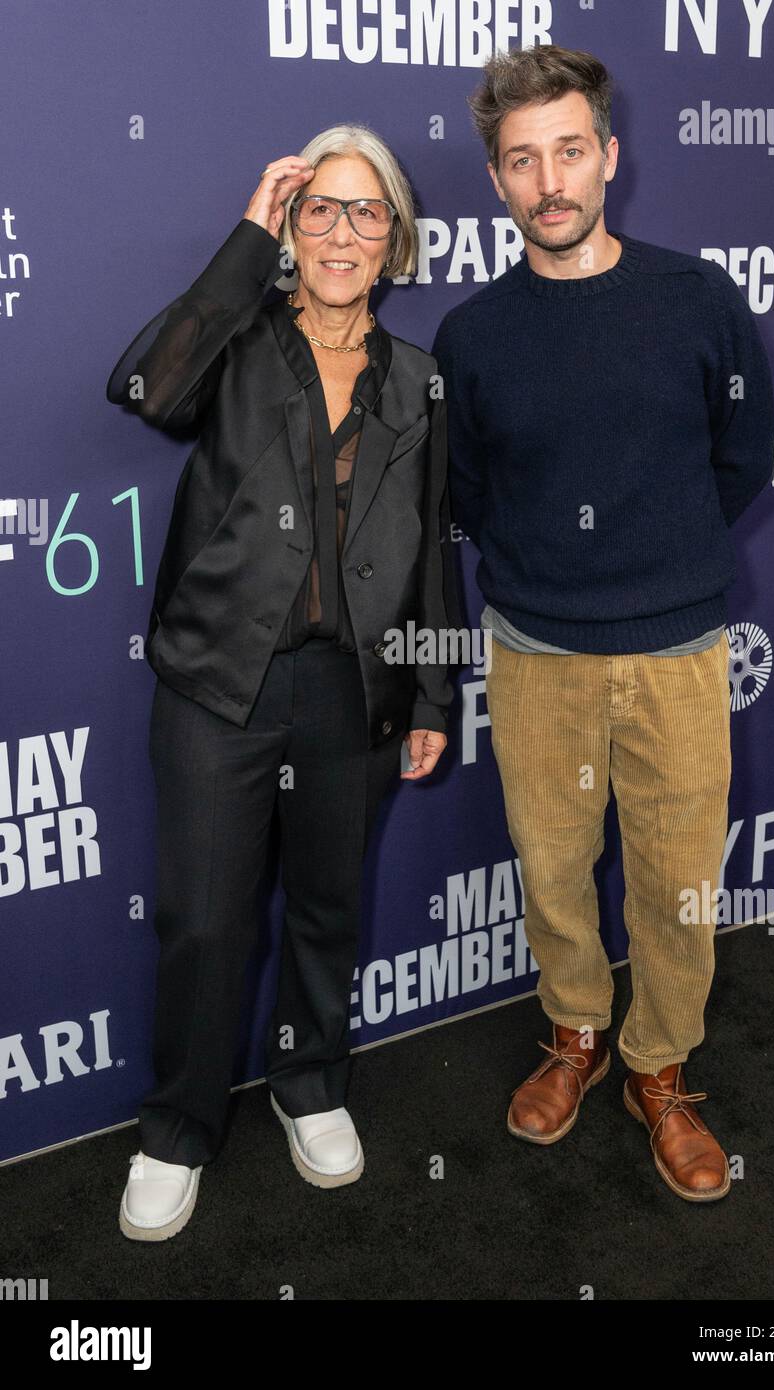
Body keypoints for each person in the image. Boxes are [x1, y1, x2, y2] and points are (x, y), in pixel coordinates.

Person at [432, 46, 774, 1202]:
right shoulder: (474, 336)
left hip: (679, 652)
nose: (549, 180)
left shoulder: (696, 298)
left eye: (568, 150)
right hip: (537, 656)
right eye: (522, 161)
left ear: (609, 157)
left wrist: (657, 567)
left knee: (678, 882)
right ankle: (576, 1030)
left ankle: (659, 1065)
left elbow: (743, 456)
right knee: (553, 870)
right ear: (498, 182)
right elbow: (469, 493)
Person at [106, 126, 458, 1240]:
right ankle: (177, 1126)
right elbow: (144, 387)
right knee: (205, 922)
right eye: (319, 210)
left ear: (394, 239)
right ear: (291, 230)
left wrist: (432, 695)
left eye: (365, 213)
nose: (342, 233)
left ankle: (310, 1087)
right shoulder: (238, 343)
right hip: (221, 684)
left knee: (325, 908)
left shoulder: (418, 380)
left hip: (350, 694)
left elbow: (431, 552)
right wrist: (247, 238)